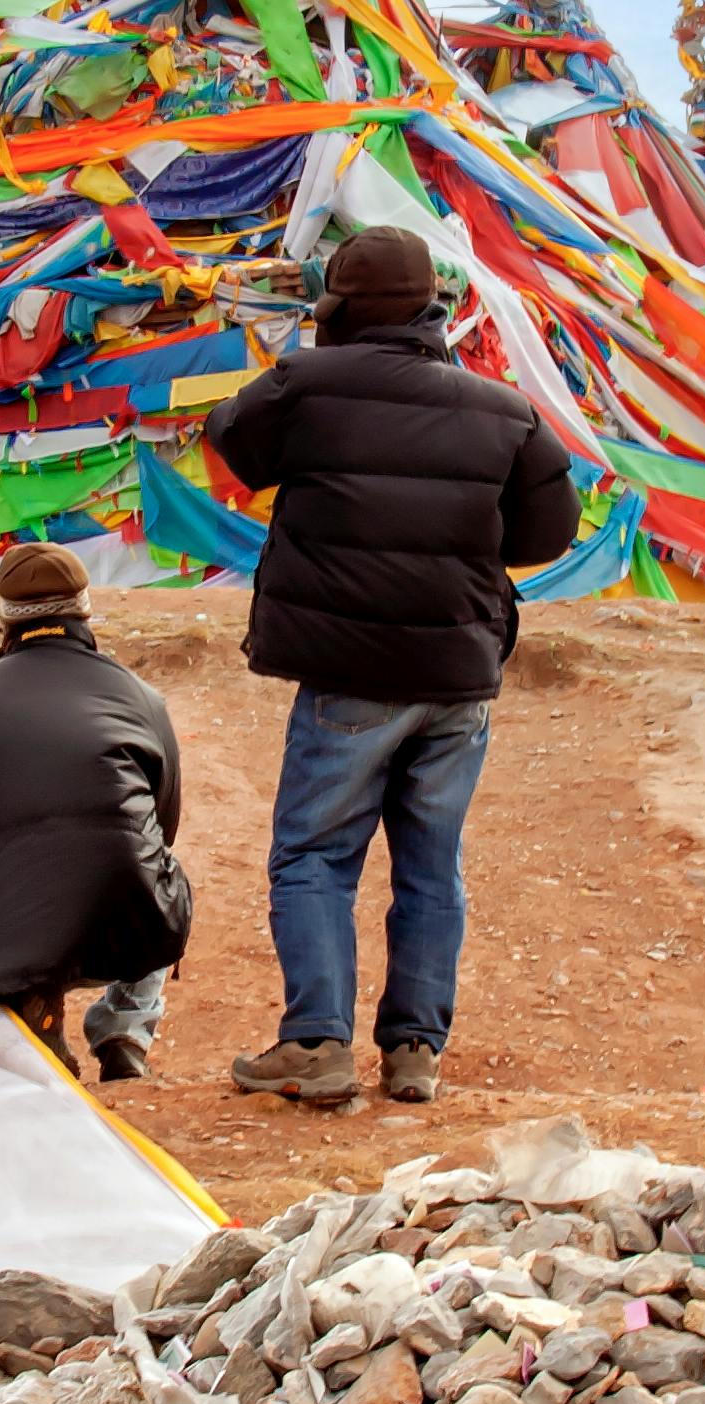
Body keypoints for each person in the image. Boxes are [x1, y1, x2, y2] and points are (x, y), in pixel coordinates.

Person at [200, 222, 577, 1107]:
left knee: (314, 857)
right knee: (430, 866)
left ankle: (317, 1045)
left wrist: (301, 370)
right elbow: (547, 534)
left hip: (350, 678)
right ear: (430, 312)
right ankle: (415, 1052)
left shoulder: (308, 383)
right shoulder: (505, 409)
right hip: (457, 677)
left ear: (339, 310)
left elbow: (233, 441)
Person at [0, 542, 191, 1077]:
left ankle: (29, 1015)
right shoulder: (141, 698)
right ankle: (124, 1031)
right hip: (127, 928)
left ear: (5, 618)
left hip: (6, 933)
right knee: (148, 867)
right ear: (84, 609)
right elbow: (162, 823)